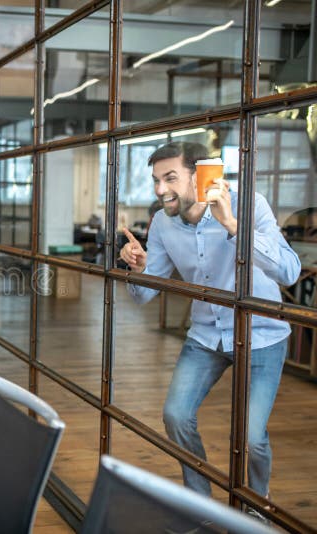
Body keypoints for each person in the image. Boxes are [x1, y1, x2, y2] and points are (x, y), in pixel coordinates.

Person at [119, 142, 300, 502]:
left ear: (199, 175)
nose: (160, 189)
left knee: (250, 437)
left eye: (170, 178)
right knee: (175, 415)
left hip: (261, 333)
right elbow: (144, 295)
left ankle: (256, 506)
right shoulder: (162, 223)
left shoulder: (250, 205)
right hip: (205, 334)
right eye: (156, 180)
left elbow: (290, 272)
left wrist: (232, 225)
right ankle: (199, 502)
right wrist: (138, 269)